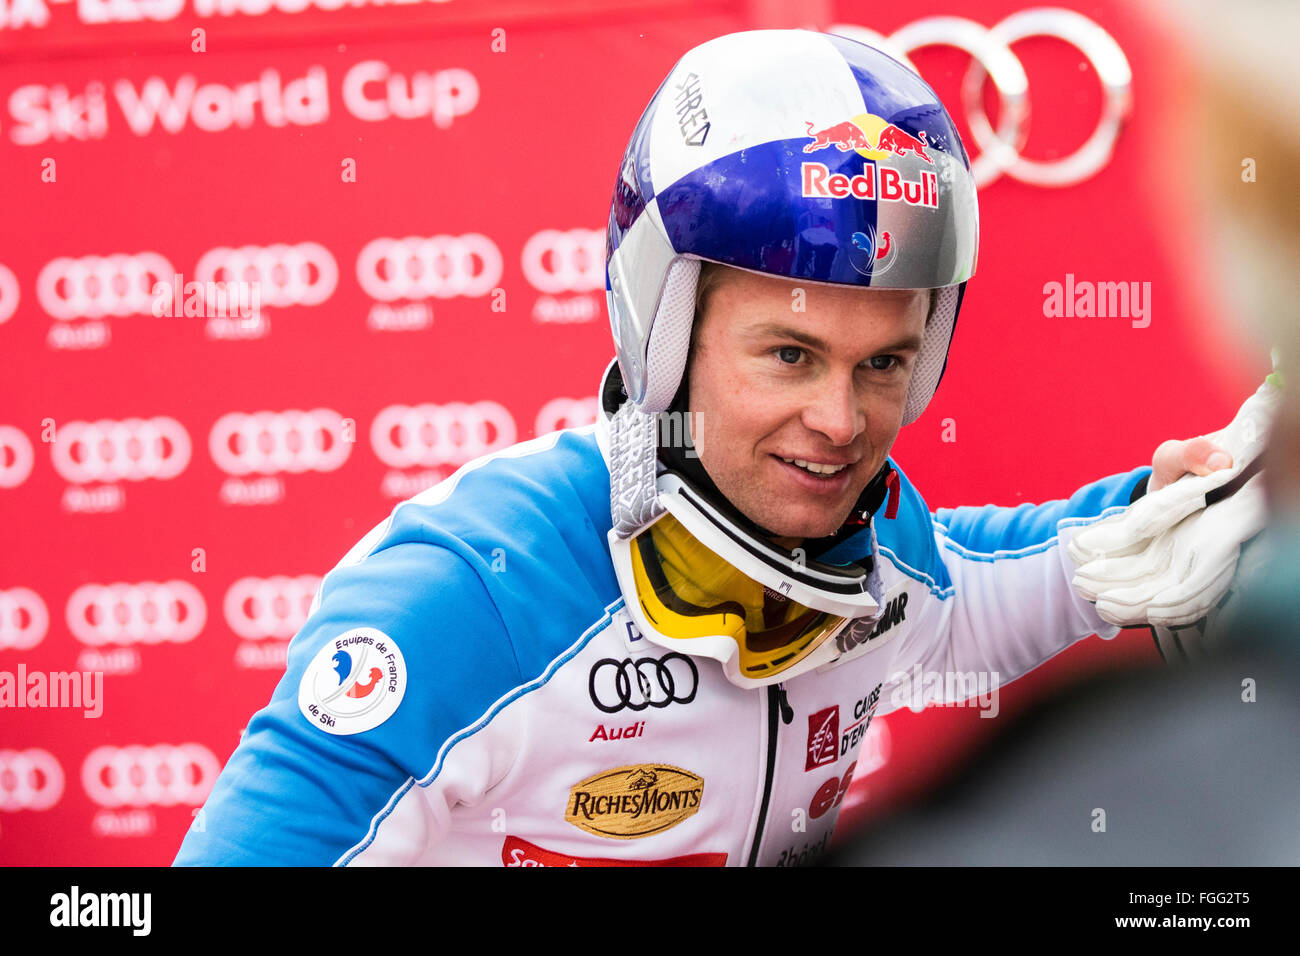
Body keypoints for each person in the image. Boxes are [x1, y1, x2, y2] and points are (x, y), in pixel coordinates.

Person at [173, 29, 1236, 867]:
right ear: (665, 336)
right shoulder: (471, 596)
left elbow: (991, 580)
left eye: (883, 363)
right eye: (789, 354)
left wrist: (1173, 509)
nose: (840, 422)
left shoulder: (872, 552)